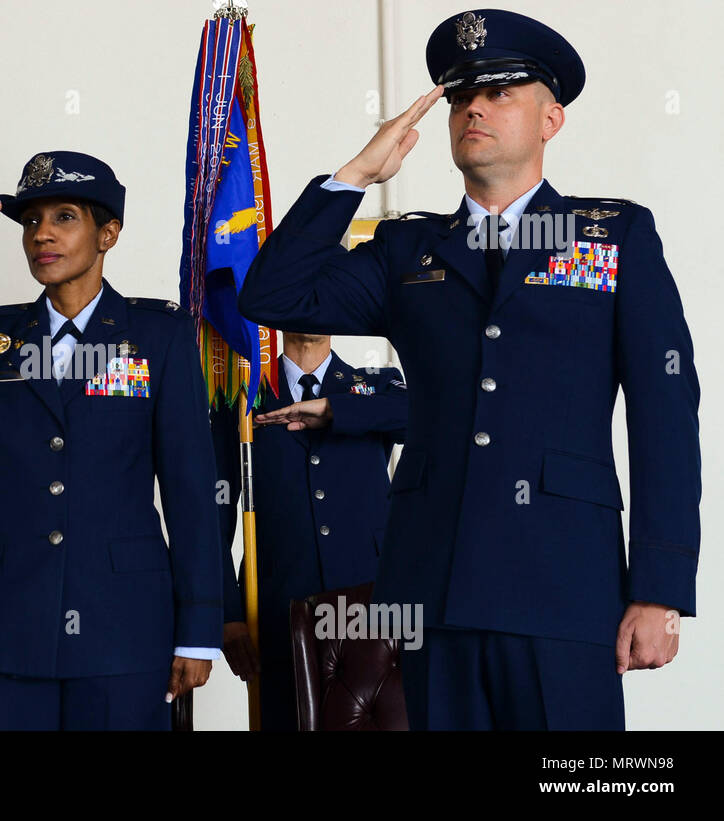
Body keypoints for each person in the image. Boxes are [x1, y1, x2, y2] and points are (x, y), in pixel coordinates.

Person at [237, 9, 699, 730]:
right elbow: (272, 293)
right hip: (433, 589)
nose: (473, 107)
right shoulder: (409, 250)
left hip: (563, 586)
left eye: (501, 91)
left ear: (551, 120)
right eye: (459, 96)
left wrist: (660, 588)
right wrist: (356, 175)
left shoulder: (612, 237)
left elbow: (666, 418)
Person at [0, 151, 223, 730]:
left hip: (123, 627)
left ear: (108, 234)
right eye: (31, 221)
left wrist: (198, 632)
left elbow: (191, 490)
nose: (42, 234)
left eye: (64, 216)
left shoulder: (159, 336)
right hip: (6, 623)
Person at [212, 332, 405, 730]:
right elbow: (215, 513)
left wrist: (335, 409)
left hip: (371, 604)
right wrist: (228, 613)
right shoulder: (243, 395)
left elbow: (423, 415)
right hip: (276, 604)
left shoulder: (376, 383)